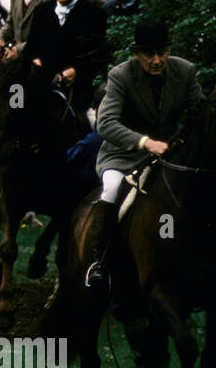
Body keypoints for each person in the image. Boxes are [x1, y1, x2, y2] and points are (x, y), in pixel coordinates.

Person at [86, 19, 203, 289]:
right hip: (124, 155)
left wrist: (183, 140)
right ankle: (98, 261)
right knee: (112, 188)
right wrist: (145, 142)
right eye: (149, 54)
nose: (157, 60)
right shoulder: (120, 75)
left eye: (162, 53)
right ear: (136, 54)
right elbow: (106, 124)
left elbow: (199, 112)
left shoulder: (185, 71)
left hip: (170, 154)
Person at [19, 0, 109, 114]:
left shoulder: (94, 14)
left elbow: (100, 56)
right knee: (17, 102)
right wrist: (35, 60)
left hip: (79, 88)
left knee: (91, 118)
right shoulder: (42, 11)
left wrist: (77, 71)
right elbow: (30, 48)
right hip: (44, 82)